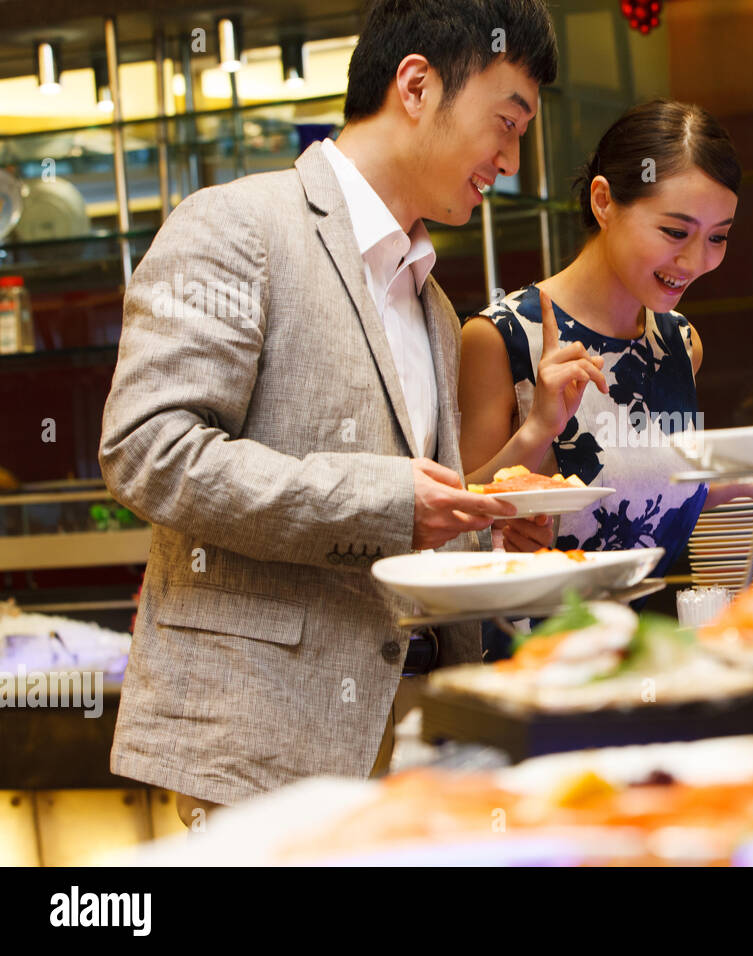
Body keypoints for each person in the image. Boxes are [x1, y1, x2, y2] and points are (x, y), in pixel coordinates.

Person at [97, 0, 557, 824]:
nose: (511, 161)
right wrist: (388, 504)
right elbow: (148, 448)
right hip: (264, 745)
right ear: (416, 85)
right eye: (507, 123)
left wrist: (489, 523)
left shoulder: (436, 303)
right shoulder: (238, 225)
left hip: (422, 741)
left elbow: (405, 509)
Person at [461, 100, 753, 611]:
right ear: (604, 201)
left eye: (718, 238)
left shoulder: (680, 344)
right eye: (675, 231)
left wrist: (746, 484)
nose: (693, 261)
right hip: (537, 654)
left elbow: (631, 496)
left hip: (648, 647)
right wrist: (537, 430)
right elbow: (452, 519)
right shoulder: (501, 337)